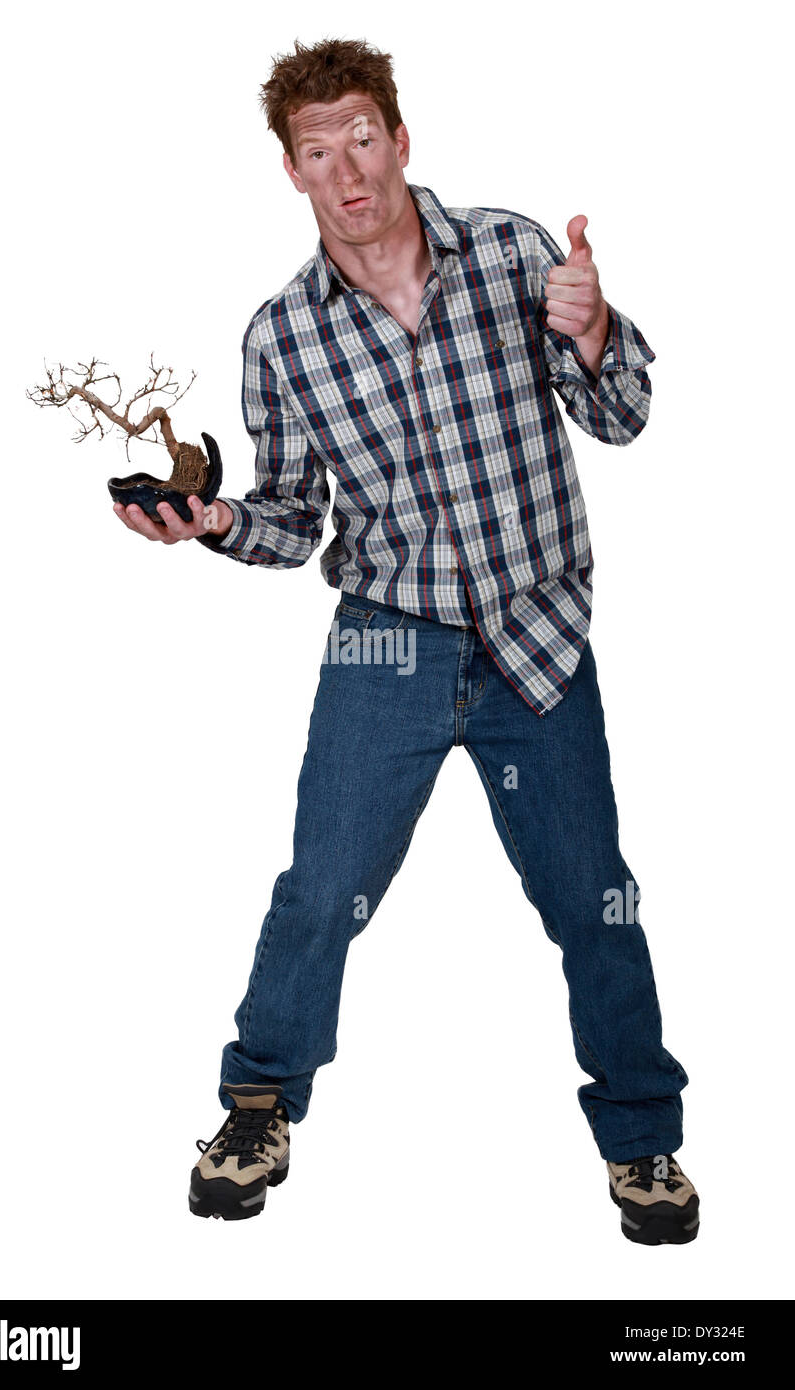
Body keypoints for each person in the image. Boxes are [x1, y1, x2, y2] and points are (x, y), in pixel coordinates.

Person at [114, 36, 698, 1246]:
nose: (348, 173)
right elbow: (291, 519)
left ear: (400, 139)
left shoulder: (511, 254)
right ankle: (258, 1106)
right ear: (290, 172)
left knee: (592, 898)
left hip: (537, 634)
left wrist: (594, 330)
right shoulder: (281, 338)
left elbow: (622, 414)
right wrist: (215, 521)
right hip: (387, 642)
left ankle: (642, 1139)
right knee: (320, 889)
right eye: (317, 152)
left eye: (362, 139)